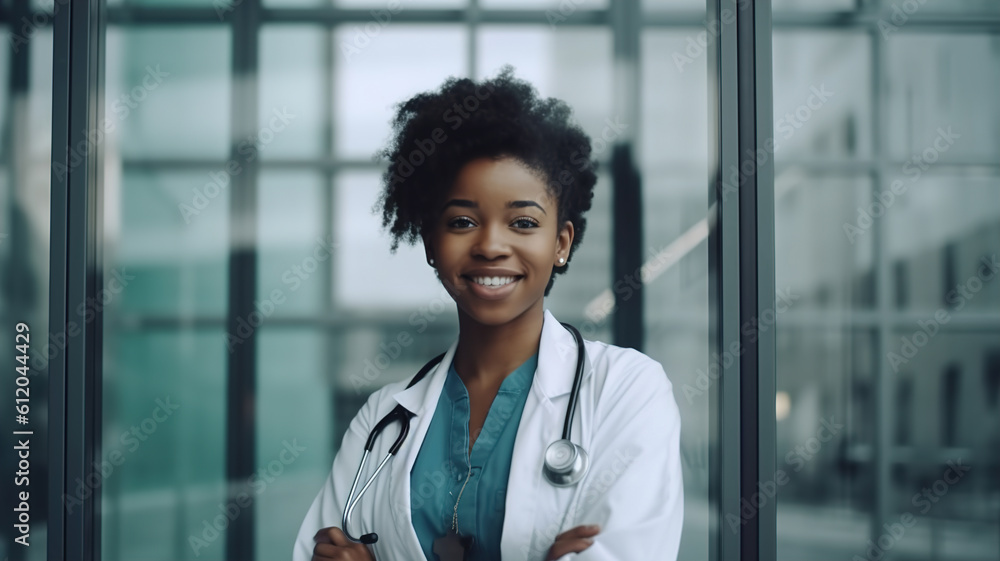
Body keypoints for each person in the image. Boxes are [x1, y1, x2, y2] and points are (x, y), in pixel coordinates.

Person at [292, 66, 683, 561]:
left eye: (522, 222)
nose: (491, 245)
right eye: (462, 221)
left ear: (561, 243)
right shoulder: (382, 418)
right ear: (432, 243)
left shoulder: (626, 391)